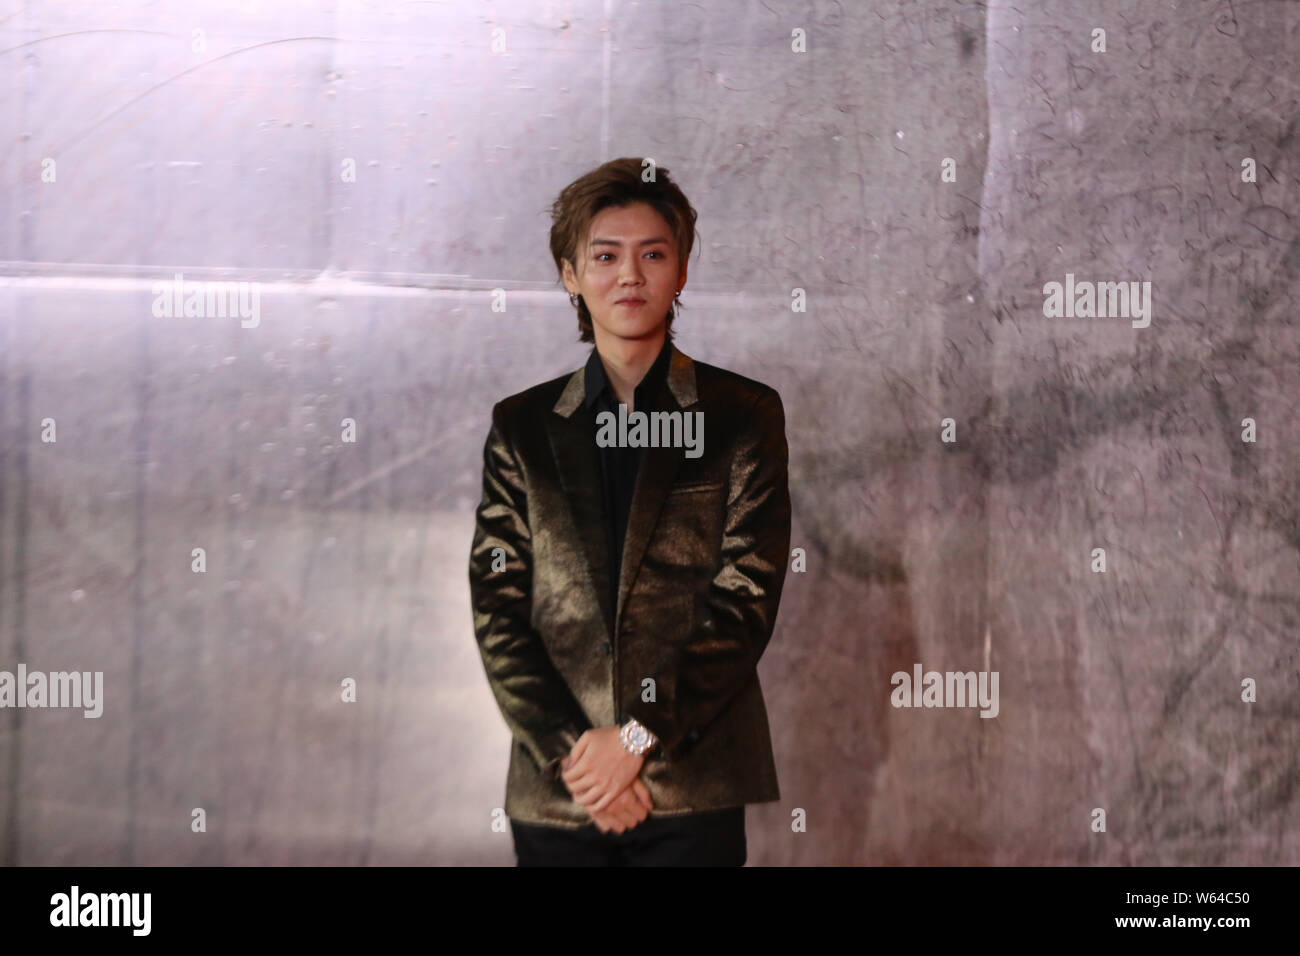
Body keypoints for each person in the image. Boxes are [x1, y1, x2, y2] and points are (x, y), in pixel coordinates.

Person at [468, 157, 792, 866]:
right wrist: (576, 755)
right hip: (562, 789)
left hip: (690, 786)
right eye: (605, 256)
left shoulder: (742, 415)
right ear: (570, 274)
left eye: (653, 254)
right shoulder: (522, 426)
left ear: (680, 272)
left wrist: (638, 738)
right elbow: (498, 602)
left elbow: (746, 598)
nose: (629, 275)